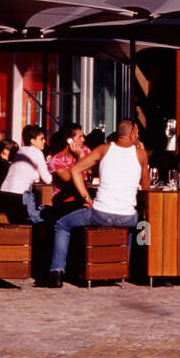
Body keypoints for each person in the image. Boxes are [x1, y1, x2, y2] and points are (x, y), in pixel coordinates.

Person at [48, 119, 148, 286]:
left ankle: (56, 271)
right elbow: (146, 184)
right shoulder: (141, 154)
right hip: (128, 216)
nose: (138, 136)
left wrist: (86, 197)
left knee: (62, 225)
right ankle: (131, 268)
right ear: (131, 135)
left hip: (101, 213)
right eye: (137, 133)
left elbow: (75, 170)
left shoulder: (103, 149)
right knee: (144, 225)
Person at [0, 125, 52, 224]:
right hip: (20, 194)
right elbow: (48, 179)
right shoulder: (37, 152)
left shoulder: (21, 150)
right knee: (37, 219)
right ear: (33, 141)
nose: (44, 141)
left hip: (5, 192)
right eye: (41, 139)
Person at [47, 123, 90, 217]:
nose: (84, 139)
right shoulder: (56, 160)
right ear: (69, 140)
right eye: (80, 137)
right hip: (65, 203)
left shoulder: (85, 150)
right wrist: (80, 157)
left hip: (83, 198)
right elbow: (68, 178)